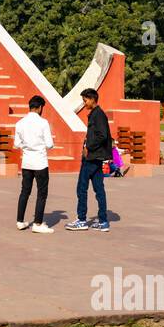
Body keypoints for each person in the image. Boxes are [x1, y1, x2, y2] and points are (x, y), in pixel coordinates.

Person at [67, 87, 111, 232]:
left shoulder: (98, 115)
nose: (84, 103)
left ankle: (81, 220)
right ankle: (103, 221)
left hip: (92, 157)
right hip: (96, 157)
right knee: (99, 189)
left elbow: (102, 135)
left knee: (82, 188)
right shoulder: (96, 114)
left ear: (92, 99)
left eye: (85, 100)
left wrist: (89, 147)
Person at [14, 94, 55, 234]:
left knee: (25, 191)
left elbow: (16, 144)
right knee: (41, 193)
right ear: (39, 108)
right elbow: (49, 144)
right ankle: (37, 223)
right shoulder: (43, 123)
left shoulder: (20, 123)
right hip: (40, 162)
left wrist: (27, 146)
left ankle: (20, 221)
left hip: (26, 162)